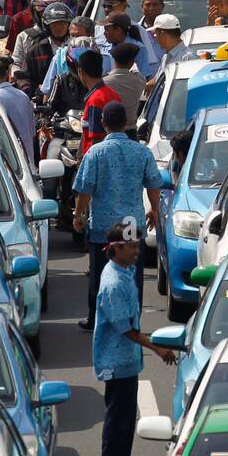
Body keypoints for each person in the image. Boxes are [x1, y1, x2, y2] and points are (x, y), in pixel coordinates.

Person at [92, 220, 176, 456]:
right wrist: (158, 348)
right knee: (118, 421)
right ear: (116, 248)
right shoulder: (113, 283)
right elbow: (126, 330)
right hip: (116, 362)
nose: (136, 251)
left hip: (127, 361)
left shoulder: (125, 271)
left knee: (126, 421)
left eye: (137, 246)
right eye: (131, 247)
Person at [74, 98, 160, 327]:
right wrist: (155, 210)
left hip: (103, 227)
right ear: (126, 123)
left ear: (103, 123)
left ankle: (96, 318)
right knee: (133, 275)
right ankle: (133, 319)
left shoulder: (95, 153)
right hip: (132, 226)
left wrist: (79, 214)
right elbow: (153, 184)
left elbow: (85, 189)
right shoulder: (142, 152)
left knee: (100, 275)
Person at [0, 58, 34, 169]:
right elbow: (32, 129)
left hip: (9, 163)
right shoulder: (23, 95)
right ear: (6, 74)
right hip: (28, 159)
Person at [102, 43, 144, 132]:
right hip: (131, 131)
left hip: (109, 131)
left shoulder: (104, 82)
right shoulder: (140, 80)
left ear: (114, 60)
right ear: (132, 62)